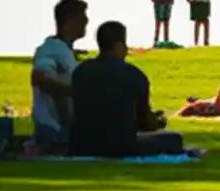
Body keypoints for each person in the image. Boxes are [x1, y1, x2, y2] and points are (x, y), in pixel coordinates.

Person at [70, 21, 185, 157]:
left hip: (82, 145)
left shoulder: (81, 71)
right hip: (121, 147)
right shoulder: (134, 75)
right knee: (174, 139)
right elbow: (145, 122)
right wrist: (157, 121)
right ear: (119, 46)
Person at [31, 0, 89, 153]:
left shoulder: (65, 51)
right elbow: (39, 78)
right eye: (83, 17)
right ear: (71, 21)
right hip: (53, 128)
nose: (87, 21)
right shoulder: (51, 49)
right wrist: (78, 94)